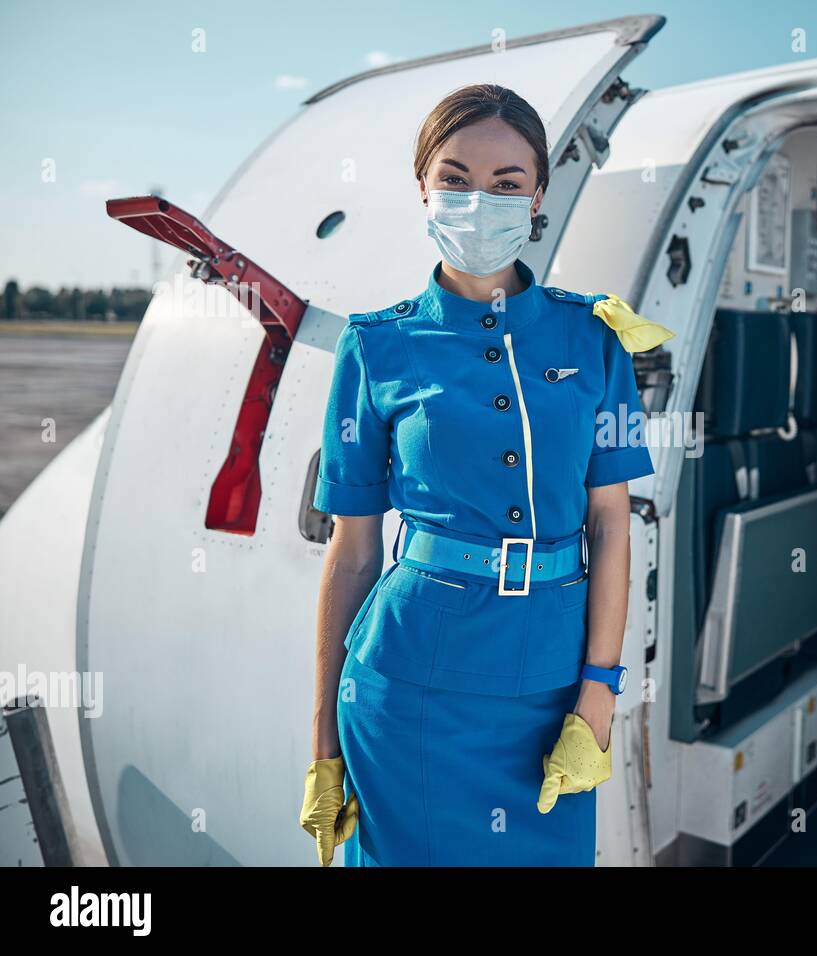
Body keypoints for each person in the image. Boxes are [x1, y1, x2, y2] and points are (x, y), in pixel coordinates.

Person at [297, 83, 672, 866]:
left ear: (537, 196)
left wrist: (599, 693)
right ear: (423, 188)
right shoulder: (376, 348)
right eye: (456, 178)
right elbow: (355, 552)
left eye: (506, 184)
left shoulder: (596, 338)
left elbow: (610, 525)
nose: (479, 201)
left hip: (552, 687)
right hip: (408, 691)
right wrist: (323, 748)